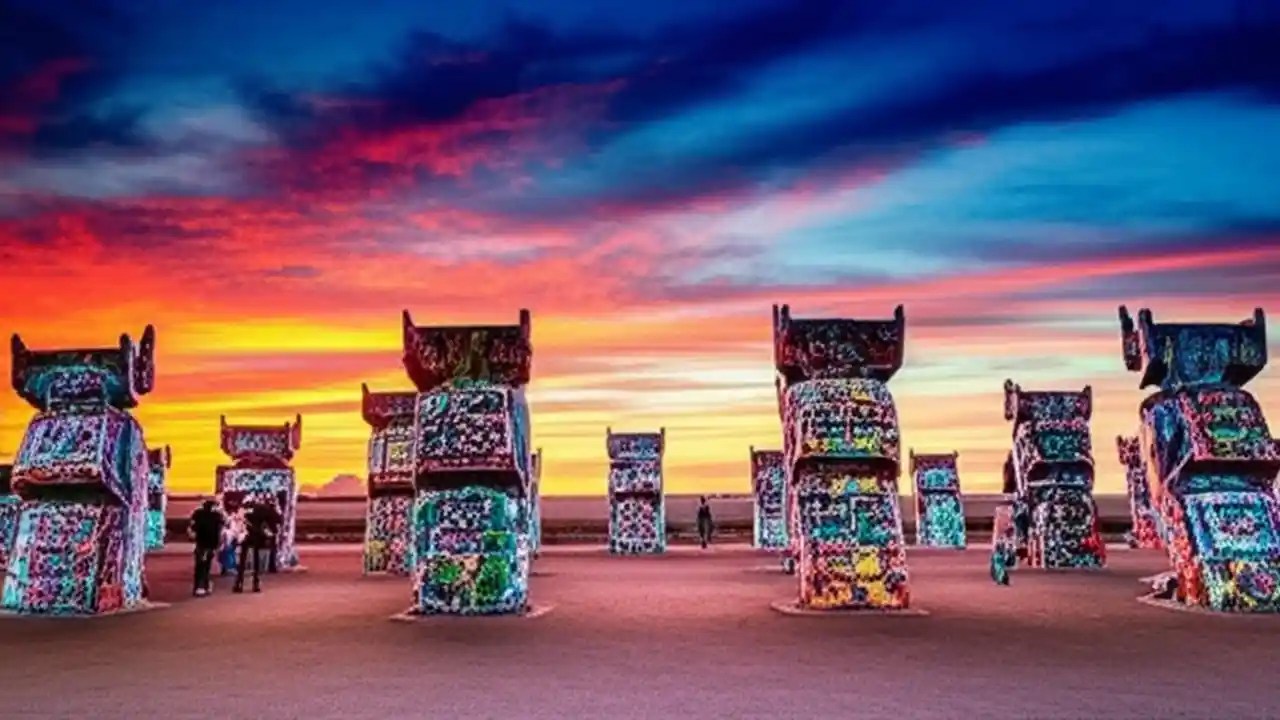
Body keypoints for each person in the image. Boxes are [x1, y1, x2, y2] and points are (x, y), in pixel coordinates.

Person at [234, 499, 282, 593]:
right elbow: (276, 520)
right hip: (257, 536)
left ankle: (239, 583)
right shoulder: (264, 509)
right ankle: (255, 583)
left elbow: (238, 522)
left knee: (243, 560)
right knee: (256, 560)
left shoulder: (244, 509)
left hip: (245, 536)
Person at [188, 499, 224, 597]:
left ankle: (199, 586)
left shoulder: (198, 514)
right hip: (210, 544)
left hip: (201, 543)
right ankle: (203, 586)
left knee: (200, 565)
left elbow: (192, 527)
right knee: (206, 565)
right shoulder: (217, 516)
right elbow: (221, 528)